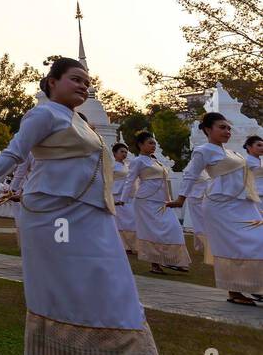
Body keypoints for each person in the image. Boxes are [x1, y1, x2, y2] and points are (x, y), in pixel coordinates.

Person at [0, 58, 200, 355]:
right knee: (73, 289)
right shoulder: (43, 114)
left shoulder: (80, 121)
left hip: (92, 214)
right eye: (75, 79)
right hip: (55, 216)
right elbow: (15, 152)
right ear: (52, 82)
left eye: (87, 81)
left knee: (117, 287)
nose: (84, 86)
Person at [169, 115, 263, 306]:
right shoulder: (203, 151)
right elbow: (190, 175)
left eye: (229, 128)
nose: (227, 131)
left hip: (243, 204)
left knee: (257, 241)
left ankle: (254, 286)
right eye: (222, 127)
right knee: (234, 246)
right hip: (221, 206)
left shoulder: (229, 151)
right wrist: (180, 199)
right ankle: (235, 291)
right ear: (208, 130)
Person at [120, 131, 192, 275]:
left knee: (174, 229)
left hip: (163, 201)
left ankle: (173, 260)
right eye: (150, 143)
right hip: (146, 201)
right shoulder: (137, 161)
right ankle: (155, 264)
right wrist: (123, 199)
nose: (153, 146)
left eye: (154, 143)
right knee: (152, 233)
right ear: (140, 145)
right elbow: (130, 180)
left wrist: (170, 199)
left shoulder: (155, 160)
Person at [111, 143, 137, 254]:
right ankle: (123, 246)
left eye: (126, 152)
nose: (124, 154)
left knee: (130, 220)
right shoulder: (112, 166)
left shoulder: (127, 166)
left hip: (128, 196)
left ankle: (130, 245)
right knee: (120, 222)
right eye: (122, 151)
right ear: (114, 153)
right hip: (117, 196)